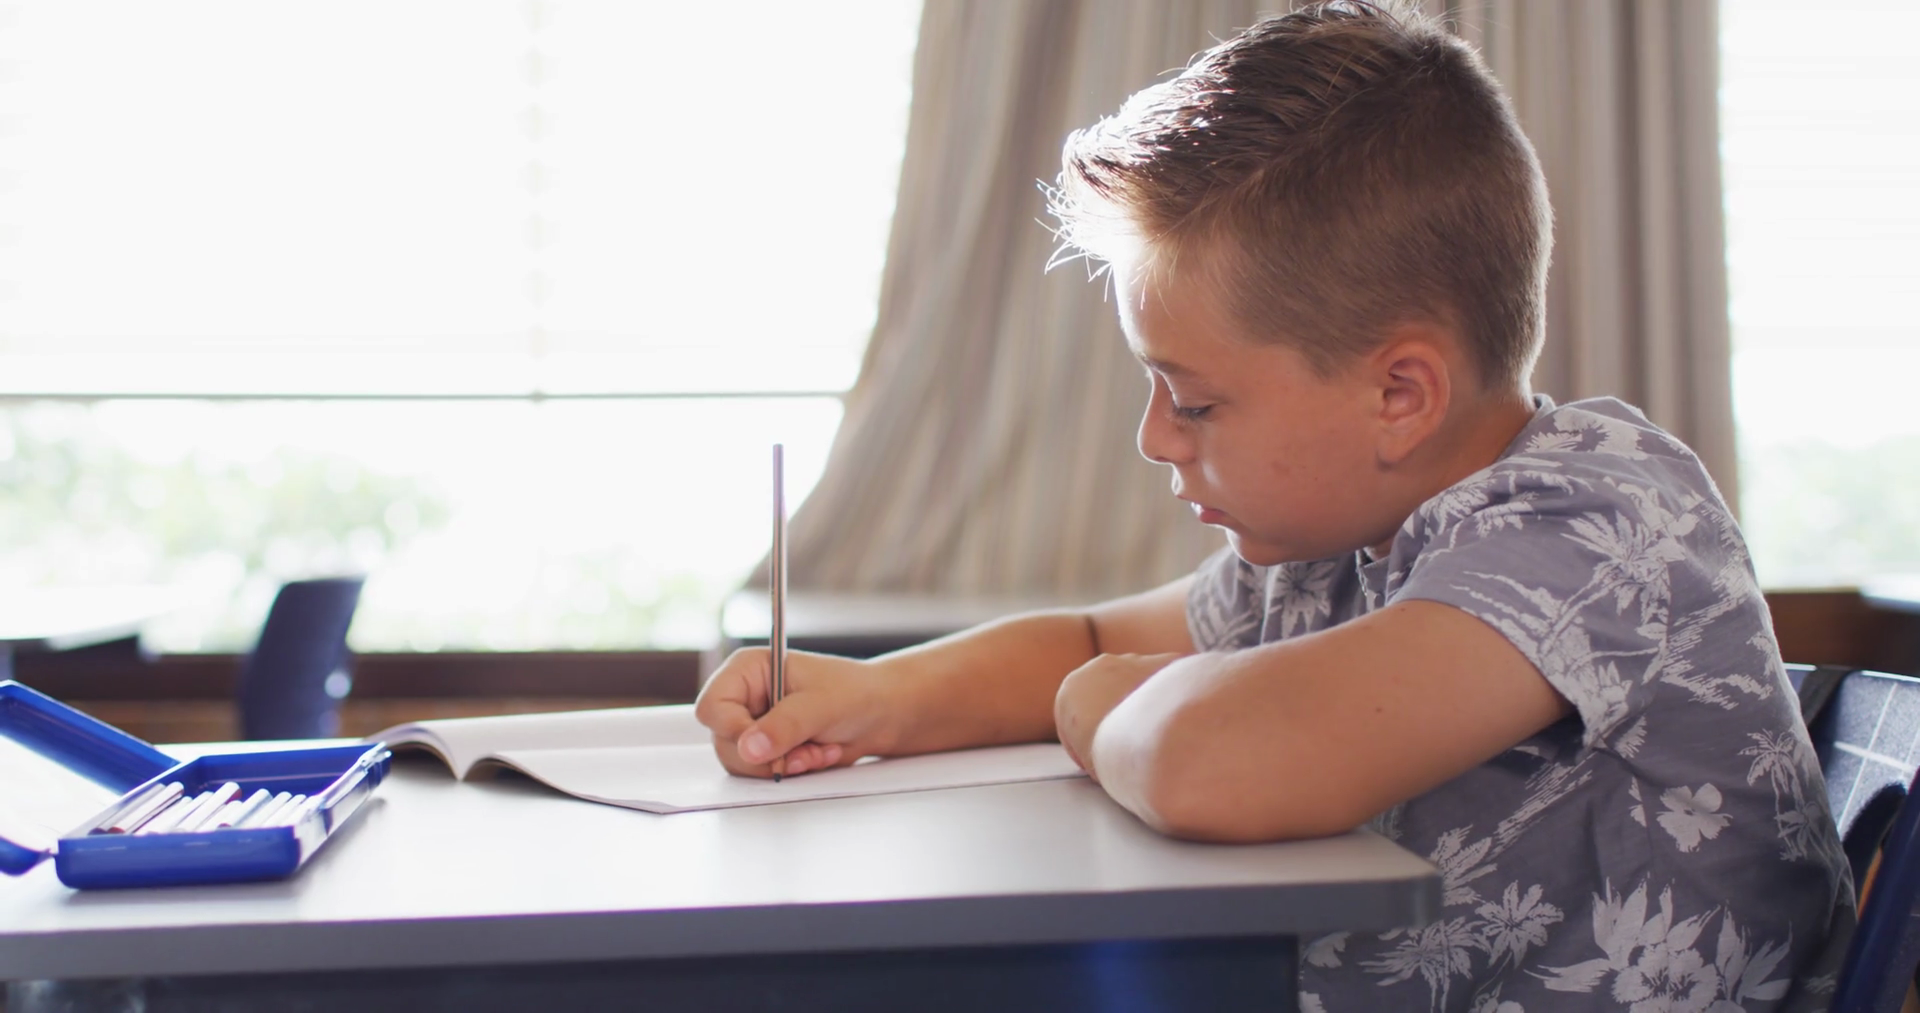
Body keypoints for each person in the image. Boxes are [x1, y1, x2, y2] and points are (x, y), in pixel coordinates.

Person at [694, 2, 1853, 1009]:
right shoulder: (1346, 536)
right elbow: (1098, 635)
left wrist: (1095, 703)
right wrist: (874, 697)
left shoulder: (1595, 524)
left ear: (1398, 392)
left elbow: (1208, 758)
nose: (1156, 438)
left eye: (1193, 400)